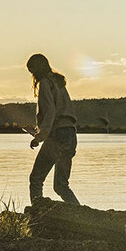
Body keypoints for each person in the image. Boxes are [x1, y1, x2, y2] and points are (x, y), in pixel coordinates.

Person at [26, 53, 80, 205]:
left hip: (57, 135)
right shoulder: (59, 83)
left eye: (32, 71)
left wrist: (39, 137)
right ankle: (82, 215)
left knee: (36, 179)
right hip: (71, 134)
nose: (32, 75)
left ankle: (37, 216)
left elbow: (50, 112)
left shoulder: (45, 83)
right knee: (61, 186)